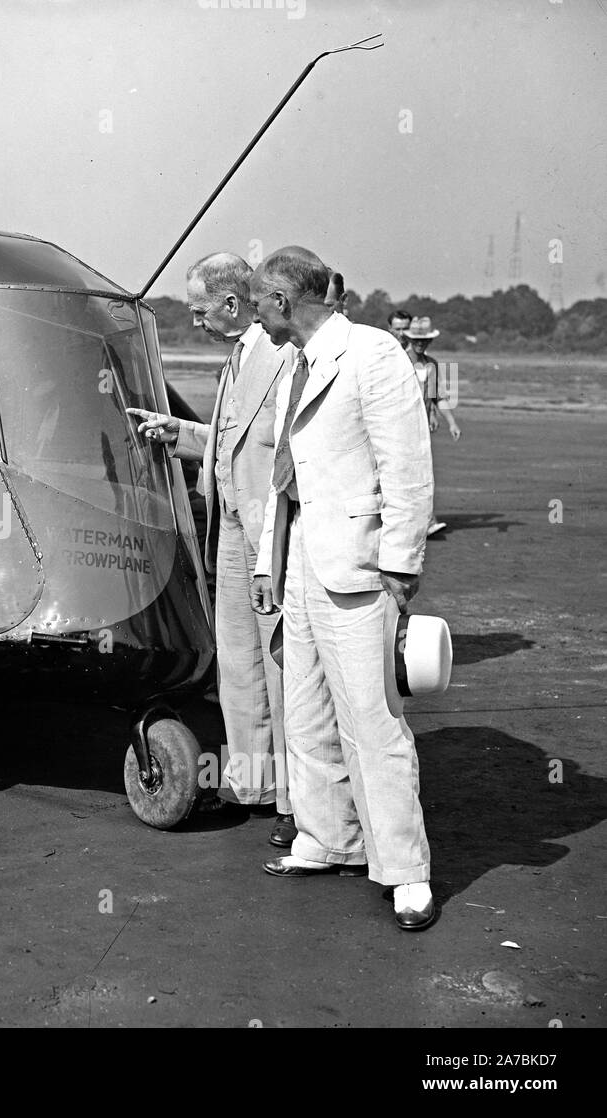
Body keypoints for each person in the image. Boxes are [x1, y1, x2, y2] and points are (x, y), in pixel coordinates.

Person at [248, 246, 438, 932]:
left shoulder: (373, 353)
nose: (255, 315)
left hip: (356, 563)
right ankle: (329, 840)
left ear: (281, 301)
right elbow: (285, 469)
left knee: (373, 720)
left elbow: (406, 462)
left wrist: (402, 560)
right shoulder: (293, 363)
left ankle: (406, 871)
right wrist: (271, 560)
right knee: (305, 710)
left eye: (259, 303)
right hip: (301, 558)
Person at [127, 252, 294, 845]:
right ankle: (256, 789)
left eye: (199, 311)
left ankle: (298, 805)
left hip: (267, 538)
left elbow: (285, 451)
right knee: (241, 669)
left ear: (230, 303)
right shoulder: (239, 357)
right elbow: (233, 440)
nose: (194, 321)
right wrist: (179, 433)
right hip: (229, 532)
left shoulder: (283, 355)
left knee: (280, 667)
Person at [405, 316, 460, 537]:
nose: (420, 343)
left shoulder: (431, 365)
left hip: (421, 429)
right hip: (399, 426)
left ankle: (426, 521)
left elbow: (437, 396)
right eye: (417, 339)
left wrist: (451, 422)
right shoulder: (399, 360)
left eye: (424, 340)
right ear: (410, 339)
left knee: (422, 473)